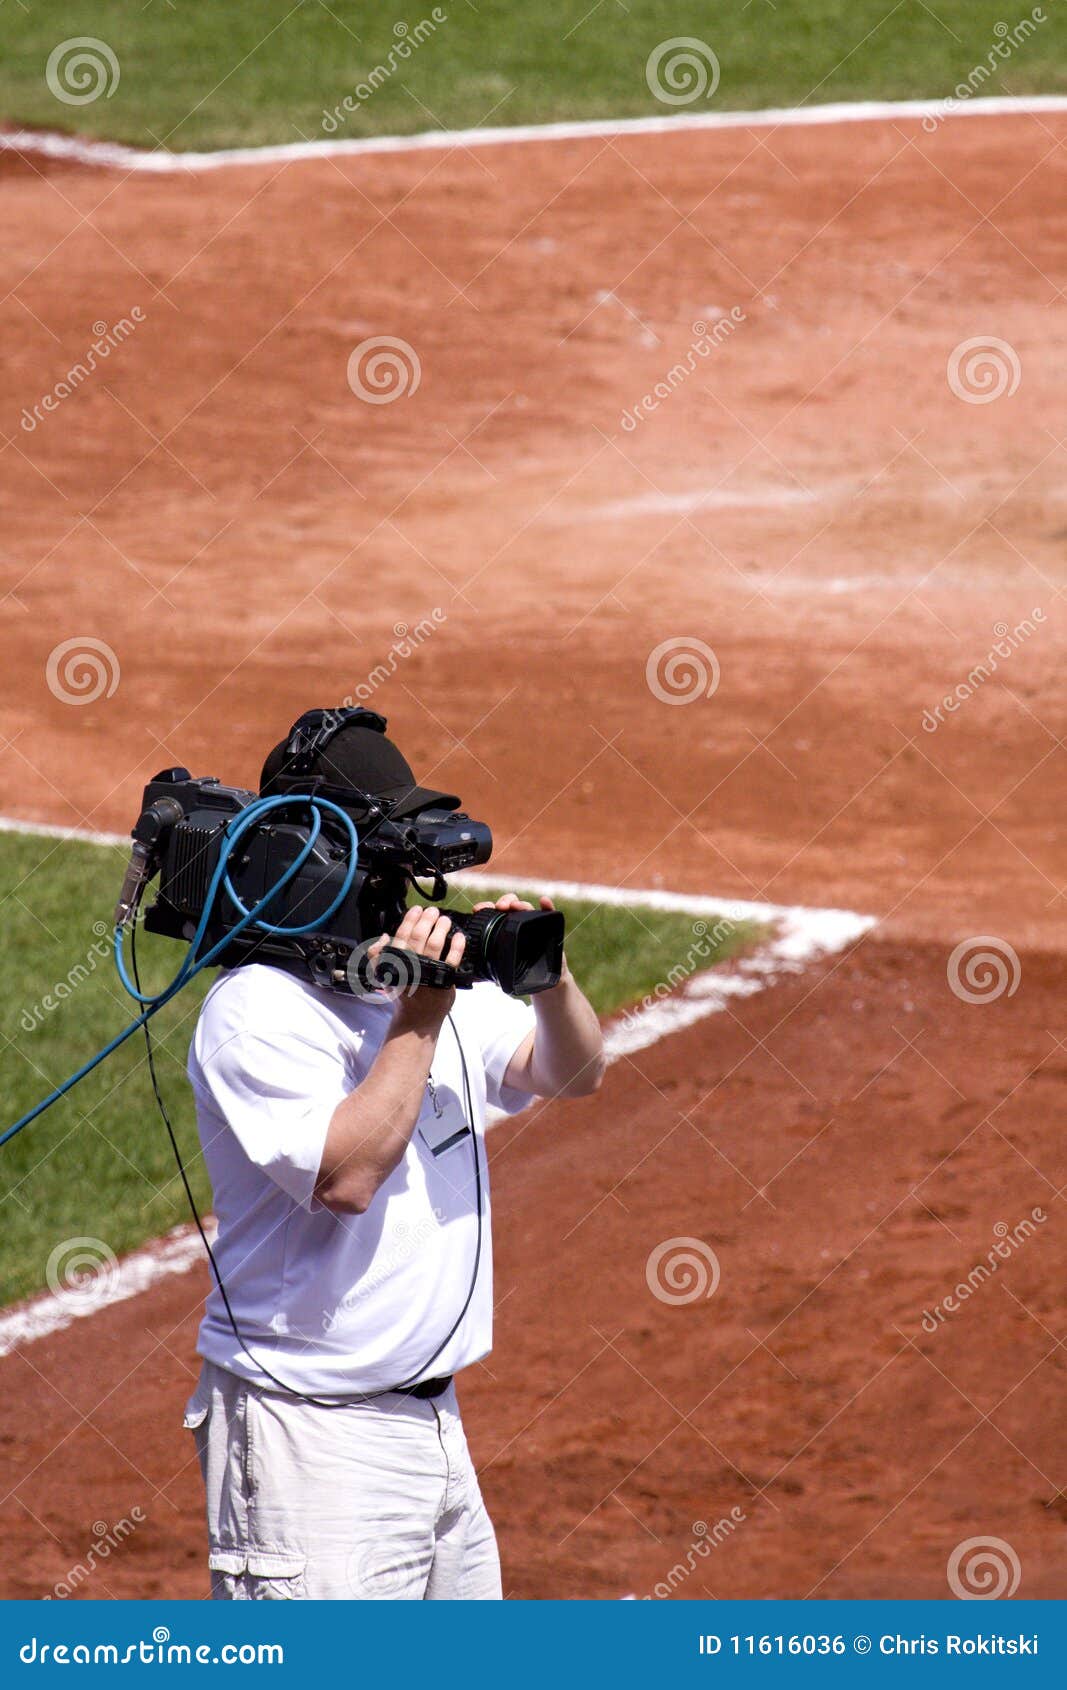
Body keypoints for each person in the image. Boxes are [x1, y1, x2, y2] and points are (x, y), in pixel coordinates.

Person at [182, 712, 605, 1600]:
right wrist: (420, 1015)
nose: (399, 887)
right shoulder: (257, 1011)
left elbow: (570, 1072)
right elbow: (345, 1178)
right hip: (310, 1448)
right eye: (378, 863)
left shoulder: (407, 984)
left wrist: (548, 979)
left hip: (435, 1429)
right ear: (316, 858)